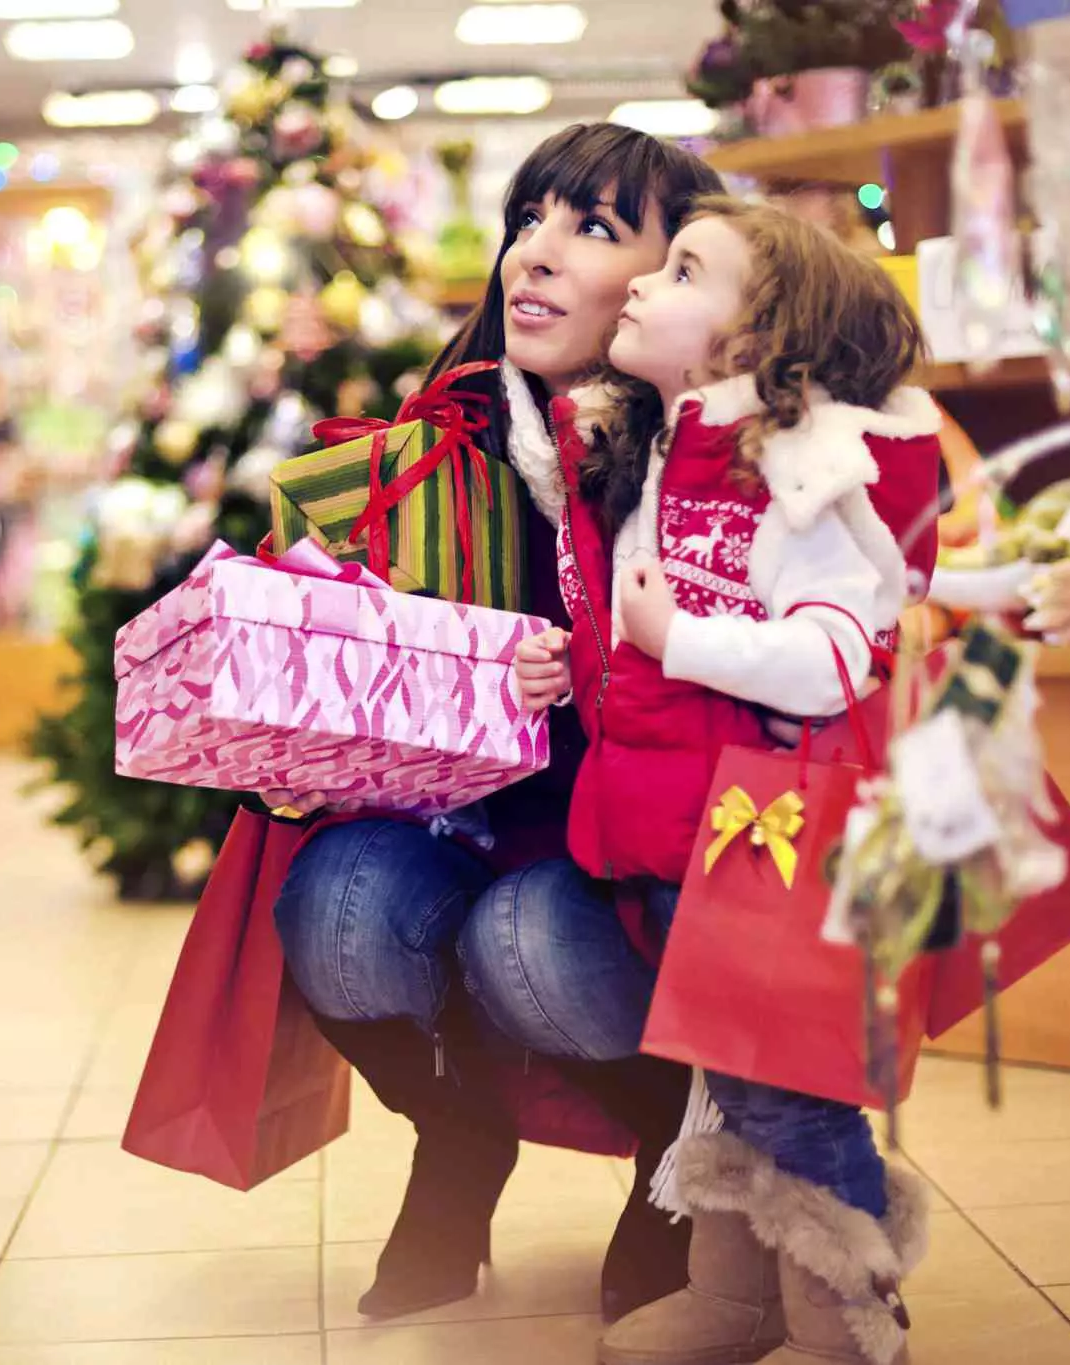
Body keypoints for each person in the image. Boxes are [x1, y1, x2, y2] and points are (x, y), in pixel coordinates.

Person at [267, 123, 725, 1326]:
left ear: (686, 279)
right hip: (452, 817)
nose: (534, 253)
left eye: (591, 228)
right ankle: (457, 1141)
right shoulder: (445, 441)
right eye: (530, 218)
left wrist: (591, 669)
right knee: (335, 905)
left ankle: (675, 1162)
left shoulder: (702, 462)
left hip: (623, 855)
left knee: (526, 938)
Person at [502, 197, 944, 1365]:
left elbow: (839, 650)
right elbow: (648, 618)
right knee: (729, 1084)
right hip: (681, 831)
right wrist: (579, 656)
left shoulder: (794, 471)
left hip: (772, 834)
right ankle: (736, 1296)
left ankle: (844, 1322)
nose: (643, 282)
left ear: (756, 339)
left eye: (683, 270)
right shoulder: (659, 450)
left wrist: (672, 641)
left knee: (791, 1093)